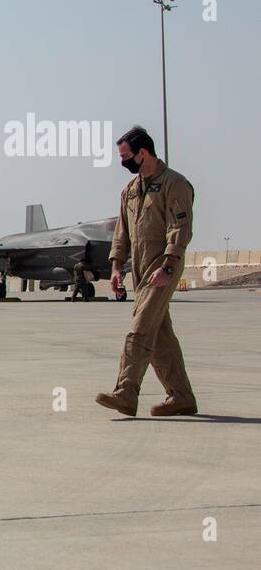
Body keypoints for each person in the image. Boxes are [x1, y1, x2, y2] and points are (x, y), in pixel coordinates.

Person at [95, 126, 197, 417]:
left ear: (143, 153)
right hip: (139, 269)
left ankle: (125, 392)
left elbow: (180, 228)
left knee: (139, 329)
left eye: (126, 156)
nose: (123, 163)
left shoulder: (174, 183)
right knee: (160, 334)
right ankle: (181, 397)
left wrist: (168, 265)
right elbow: (122, 234)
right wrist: (116, 268)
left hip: (163, 265)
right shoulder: (130, 190)